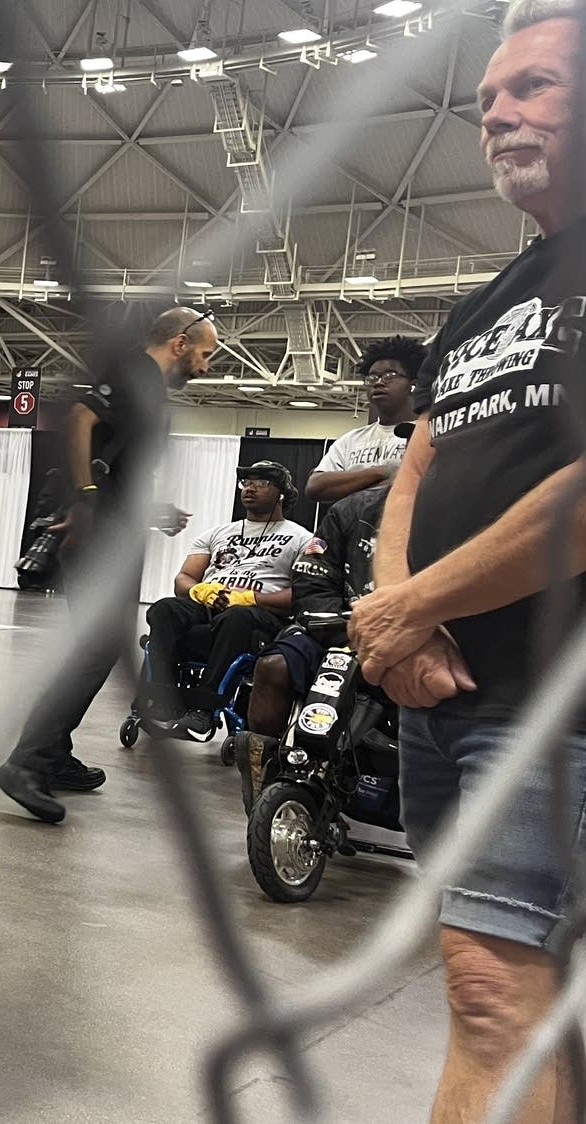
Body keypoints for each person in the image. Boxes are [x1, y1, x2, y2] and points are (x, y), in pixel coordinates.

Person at [347, 4, 586, 1117]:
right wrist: (393, 610)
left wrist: (409, 610)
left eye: (530, 86)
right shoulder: (485, 300)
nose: (494, 112)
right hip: (441, 691)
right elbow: (413, 469)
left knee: (494, 992)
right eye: (486, 96)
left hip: (551, 705)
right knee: (518, 1000)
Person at [0, 307, 215, 823]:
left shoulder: (151, 392)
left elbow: (113, 462)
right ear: (180, 343)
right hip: (97, 534)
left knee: (96, 646)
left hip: (114, 529)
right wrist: (87, 500)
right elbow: (79, 420)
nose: (206, 367)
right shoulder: (135, 372)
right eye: (205, 354)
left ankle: (54, 754)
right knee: (96, 647)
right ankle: (29, 762)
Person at [238, 482, 388, 807]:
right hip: (336, 626)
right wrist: (348, 630)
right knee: (273, 666)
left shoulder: (456, 508)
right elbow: (312, 576)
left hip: (411, 639)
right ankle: (265, 786)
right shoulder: (351, 509)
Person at [141, 462, 313, 740]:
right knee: (164, 609)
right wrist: (200, 591)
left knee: (237, 617)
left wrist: (248, 598)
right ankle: (162, 698)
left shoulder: (301, 538)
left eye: (262, 483)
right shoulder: (217, 533)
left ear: (282, 493)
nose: (250, 488)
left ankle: (204, 709)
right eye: (246, 482)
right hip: (209, 606)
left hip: (258, 614)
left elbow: (302, 594)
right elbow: (183, 578)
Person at [305, 336, 426, 503]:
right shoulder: (351, 440)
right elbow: (315, 486)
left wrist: (353, 481)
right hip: (353, 525)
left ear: (413, 384)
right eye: (372, 378)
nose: (378, 383)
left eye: (389, 375)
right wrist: (381, 472)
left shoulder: (430, 433)